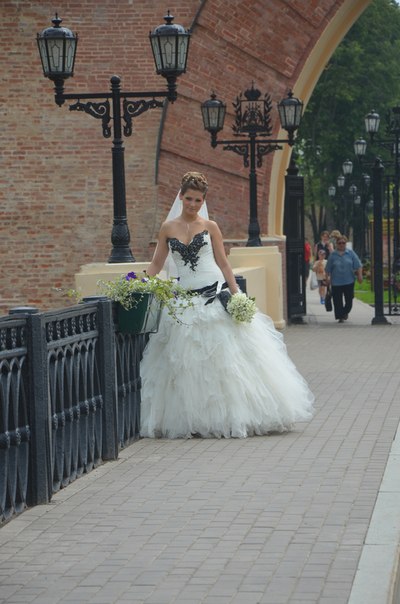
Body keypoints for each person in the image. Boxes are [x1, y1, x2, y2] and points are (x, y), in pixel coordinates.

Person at [139, 171, 314, 439]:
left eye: (198, 200)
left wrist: (237, 295)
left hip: (214, 297)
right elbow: (156, 264)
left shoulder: (210, 227)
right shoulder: (167, 228)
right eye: (189, 198)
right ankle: (195, 419)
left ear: (203, 200)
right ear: (181, 197)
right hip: (184, 303)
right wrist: (136, 284)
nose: (193, 204)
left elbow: (223, 263)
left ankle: (235, 416)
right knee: (186, 365)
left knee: (228, 363)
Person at [325, 235, 363, 323]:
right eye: (339, 243)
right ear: (336, 244)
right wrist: (327, 279)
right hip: (336, 282)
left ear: (346, 243)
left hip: (349, 281)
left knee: (349, 301)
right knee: (337, 301)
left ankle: (345, 312)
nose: (341, 245)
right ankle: (340, 316)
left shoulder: (350, 253)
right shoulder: (333, 255)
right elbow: (327, 269)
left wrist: (360, 276)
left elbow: (358, 265)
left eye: (343, 243)